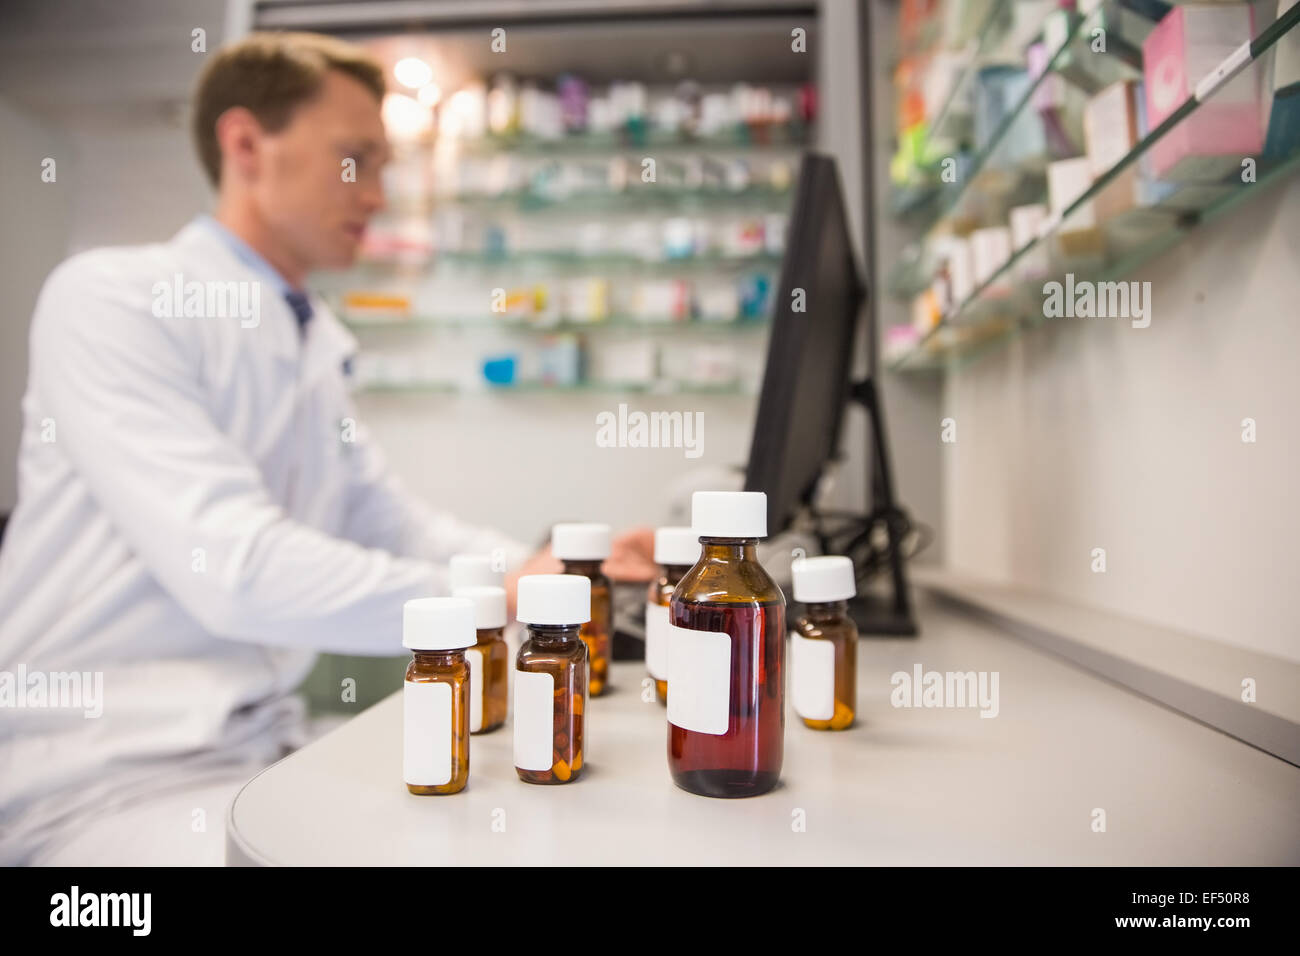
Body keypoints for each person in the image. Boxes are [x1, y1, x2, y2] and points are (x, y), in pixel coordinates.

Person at [0, 32, 656, 866]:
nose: (378, 195)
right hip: (104, 777)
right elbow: (235, 568)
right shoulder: (112, 299)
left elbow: (388, 521)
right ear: (245, 145)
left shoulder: (309, 339)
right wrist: (505, 587)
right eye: (357, 161)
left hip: (258, 755)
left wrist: (548, 564)